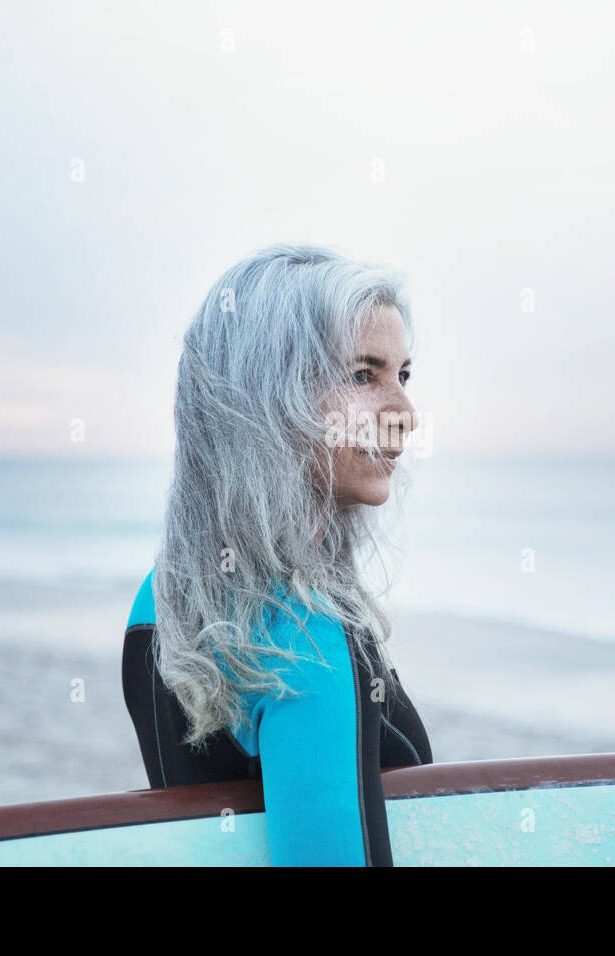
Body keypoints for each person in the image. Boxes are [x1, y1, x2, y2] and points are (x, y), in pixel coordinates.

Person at [122, 243, 433, 866]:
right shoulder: (304, 632)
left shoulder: (162, 596)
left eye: (401, 376)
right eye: (362, 374)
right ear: (265, 397)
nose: (406, 414)